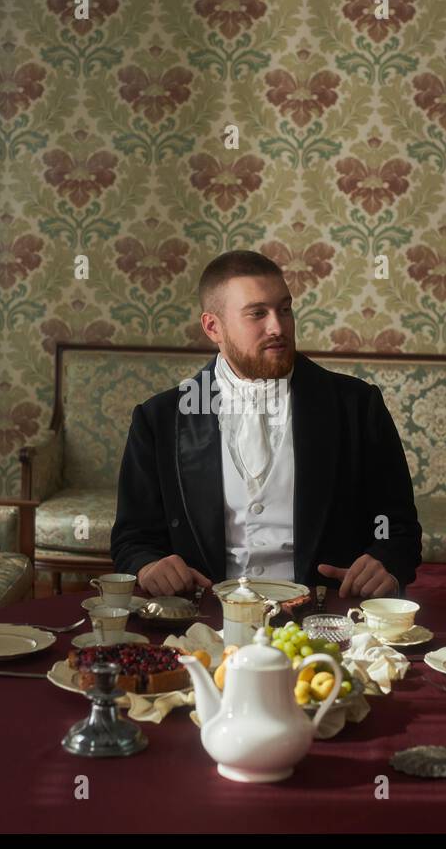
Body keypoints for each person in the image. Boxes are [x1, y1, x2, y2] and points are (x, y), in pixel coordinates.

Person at [111, 250, 422, 599]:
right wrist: (148, 565)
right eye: (257, 313)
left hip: (325, 616)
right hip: (206, 619)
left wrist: (385, 561)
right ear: (213, 327)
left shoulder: (357, 406)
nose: (277, 327)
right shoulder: (159, 419)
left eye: (284, 309)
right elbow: (132, 539)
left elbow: (397, 528)